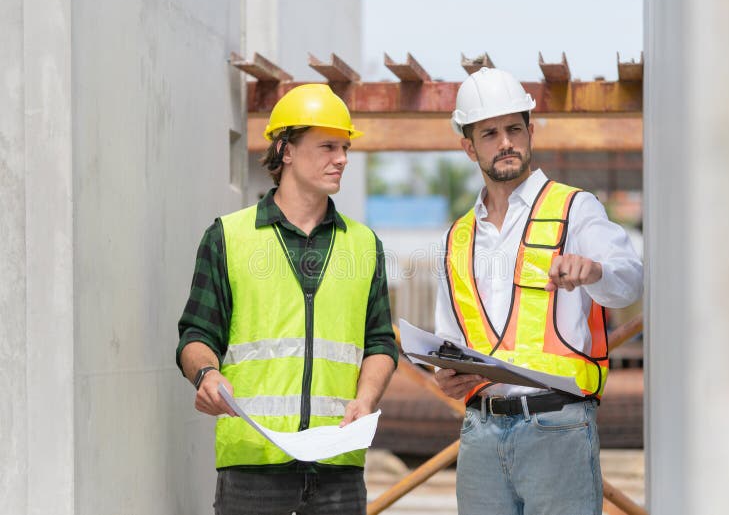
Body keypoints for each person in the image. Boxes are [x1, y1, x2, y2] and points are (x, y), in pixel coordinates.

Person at [176, 83, 398, 515]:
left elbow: (380, 342)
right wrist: (205, 374)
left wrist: (366, 399)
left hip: (337, 467)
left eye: (346, 148)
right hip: (252, 468)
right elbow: (197, 333)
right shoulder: (228, 237)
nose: (342, 159)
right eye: (328, 146)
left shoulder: (365, 244)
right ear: (286, 150)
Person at [433, 68, 643, 515]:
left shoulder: (574, 208)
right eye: (489, 133)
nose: (505, 142)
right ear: (469, 146)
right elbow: (450, 341)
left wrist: (595, 271)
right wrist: (448, 376)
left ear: (530, 132)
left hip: (558, 428)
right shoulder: (458, 237)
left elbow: (628, 280)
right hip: (480, 434)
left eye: (514, 128)